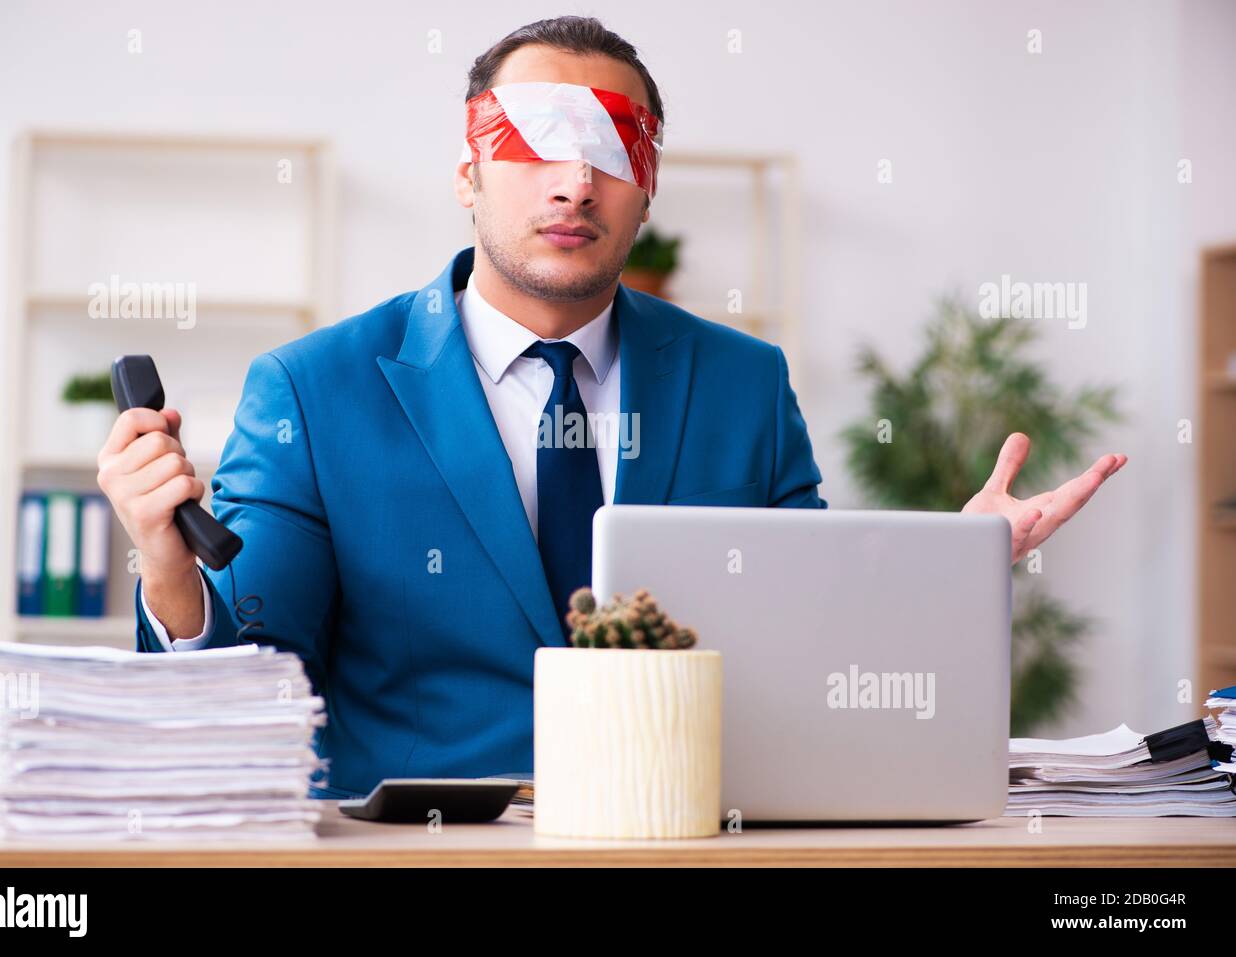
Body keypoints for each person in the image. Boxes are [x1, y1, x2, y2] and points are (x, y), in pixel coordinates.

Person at [95, 16, 1125, 798]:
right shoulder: (314, 390)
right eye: (534, 144)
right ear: (467, 173)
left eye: (612, 150)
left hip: (684, 843)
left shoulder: (743, 384)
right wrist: (169, 567)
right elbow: (255, 679)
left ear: (649, 184)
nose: (574, 184)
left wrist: (945, 570)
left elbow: (810, 650)